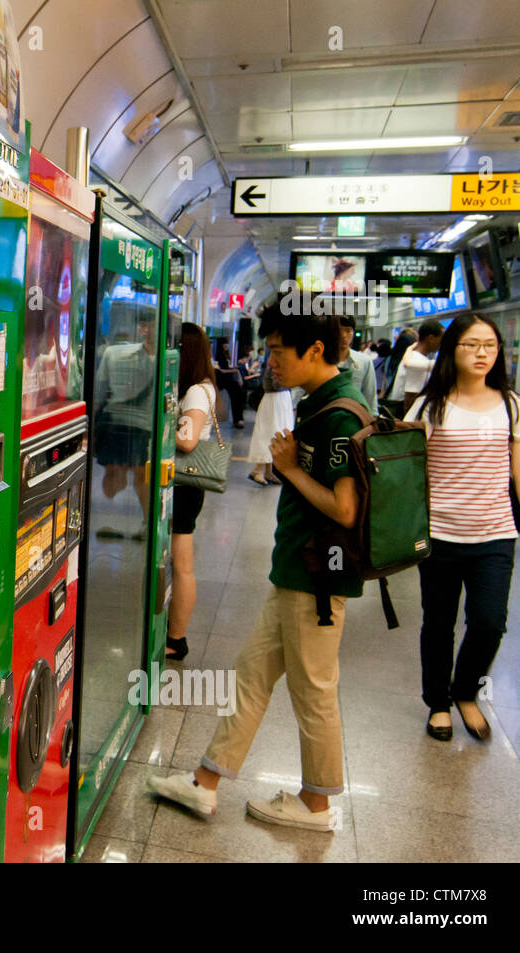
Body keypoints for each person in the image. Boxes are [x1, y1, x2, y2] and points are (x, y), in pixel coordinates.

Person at [148, 304, 364, 831]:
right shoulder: (319, 401)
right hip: (295, 571)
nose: (269, 361)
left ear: (314, 350)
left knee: (313, 691)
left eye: (276, 351)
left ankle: (317, 805)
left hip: (316, 576)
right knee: (251, 676)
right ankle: (206, 783)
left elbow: (345, 508)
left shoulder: (338, 411)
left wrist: (288, 469)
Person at [406, 315, 520, 742]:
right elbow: (407, 469)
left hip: (495, 535)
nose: (483, 353)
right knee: (438, 623)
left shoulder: (511, 404)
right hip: (440, 534)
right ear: (452, 351)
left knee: (489, 622)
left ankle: (466, 691)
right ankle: (438, 704)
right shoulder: (430, 406)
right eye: (471, 345)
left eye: (490, 345)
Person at [167, 323, 218, 661]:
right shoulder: (202, 386)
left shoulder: (197, 391)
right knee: (177, 562)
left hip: (186, 484)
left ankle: (177, 638)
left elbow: (187, 439)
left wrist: (158, 428)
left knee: (182, 565)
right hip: (185, 484)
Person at [93, 313, 156, 539]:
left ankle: (126, 523)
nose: (145, 329)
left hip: (129, 424)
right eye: (143, 324)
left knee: (126, 473)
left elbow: (100, 392)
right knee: (131, 474)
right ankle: (132, 523)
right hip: (132, 424)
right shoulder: (135, 356)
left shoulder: (112, 354)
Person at [247, 340, 293, 486]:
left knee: (275, 432)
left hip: (279, 400)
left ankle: (269, 471)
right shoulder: (275, 365)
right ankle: (258, 470)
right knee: (270, 433)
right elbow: (276, 384)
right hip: (275, 401)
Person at [388, 320, 442, 415]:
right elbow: (411, 397)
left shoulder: (413, 356)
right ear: (431, 338)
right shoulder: (417, 359)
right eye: (441, 339)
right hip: (406, 415)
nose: (441, 344)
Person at [336, 314, 377, 411]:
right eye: (339, 330)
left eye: (348, 330)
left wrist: (372, 417)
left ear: (353, 332)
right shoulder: (322, 360)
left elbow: (370, 395)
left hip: (355, 416)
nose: (344, 335)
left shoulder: (364, 361)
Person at [214, 339, 246, 429]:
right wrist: (236, 371)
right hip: (222, 379)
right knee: (237, 394)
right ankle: (238, 419)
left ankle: (238, 418)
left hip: (226, 378)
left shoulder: (225, 355)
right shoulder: (219, 356)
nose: (227, 346)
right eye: (225, 344)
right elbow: (220, 370)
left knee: (238, 395)